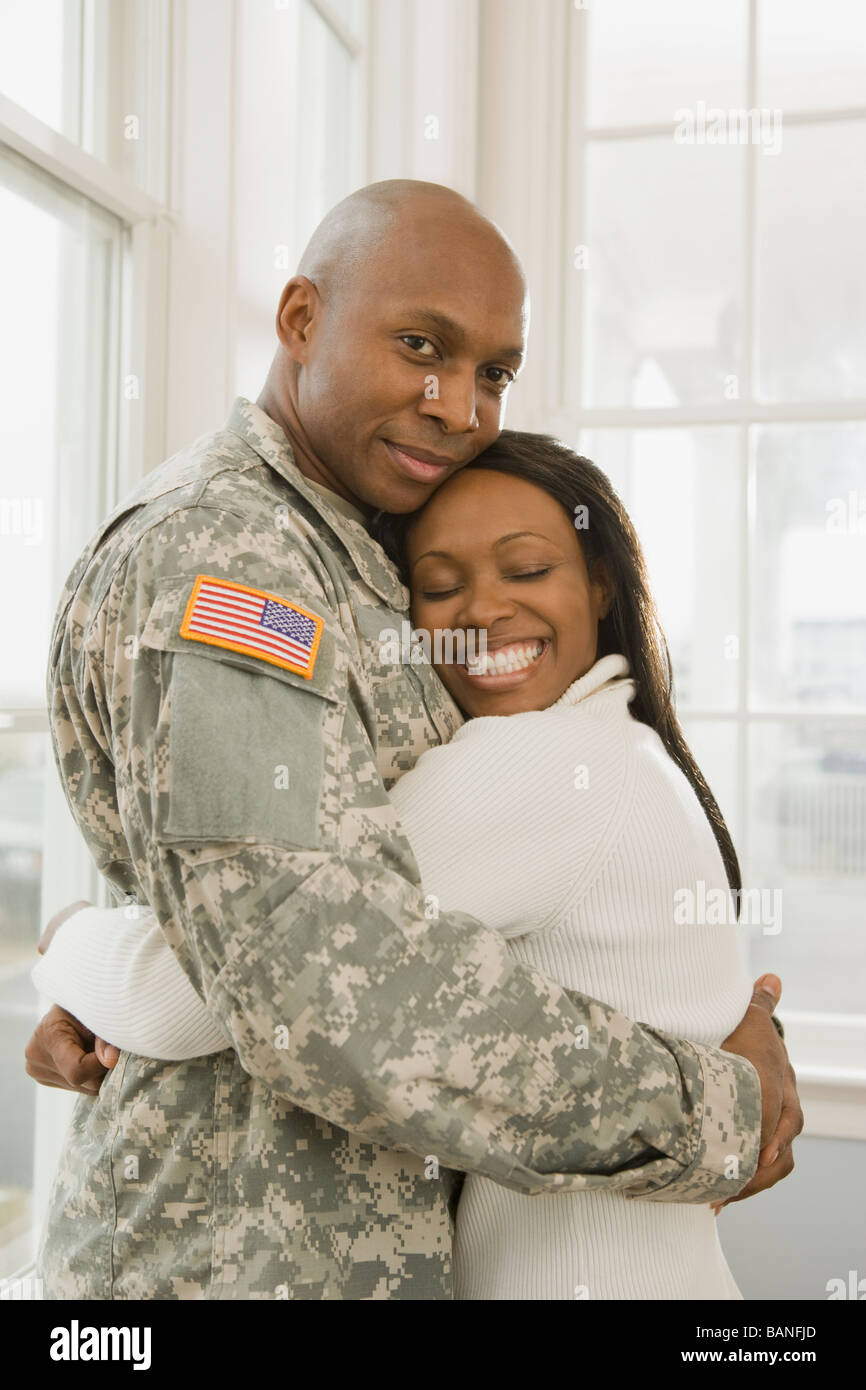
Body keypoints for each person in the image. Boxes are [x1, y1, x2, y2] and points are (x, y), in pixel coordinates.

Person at [25, 181, 800, 1301]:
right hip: (228, 1267)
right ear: (299, 321)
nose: (457, 405)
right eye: (420, 346)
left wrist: (698, 1000)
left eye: (493, 372)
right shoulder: (234, 559)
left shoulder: (359, 538)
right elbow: (314, 983)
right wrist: (714, 1103)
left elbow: (333, 904)